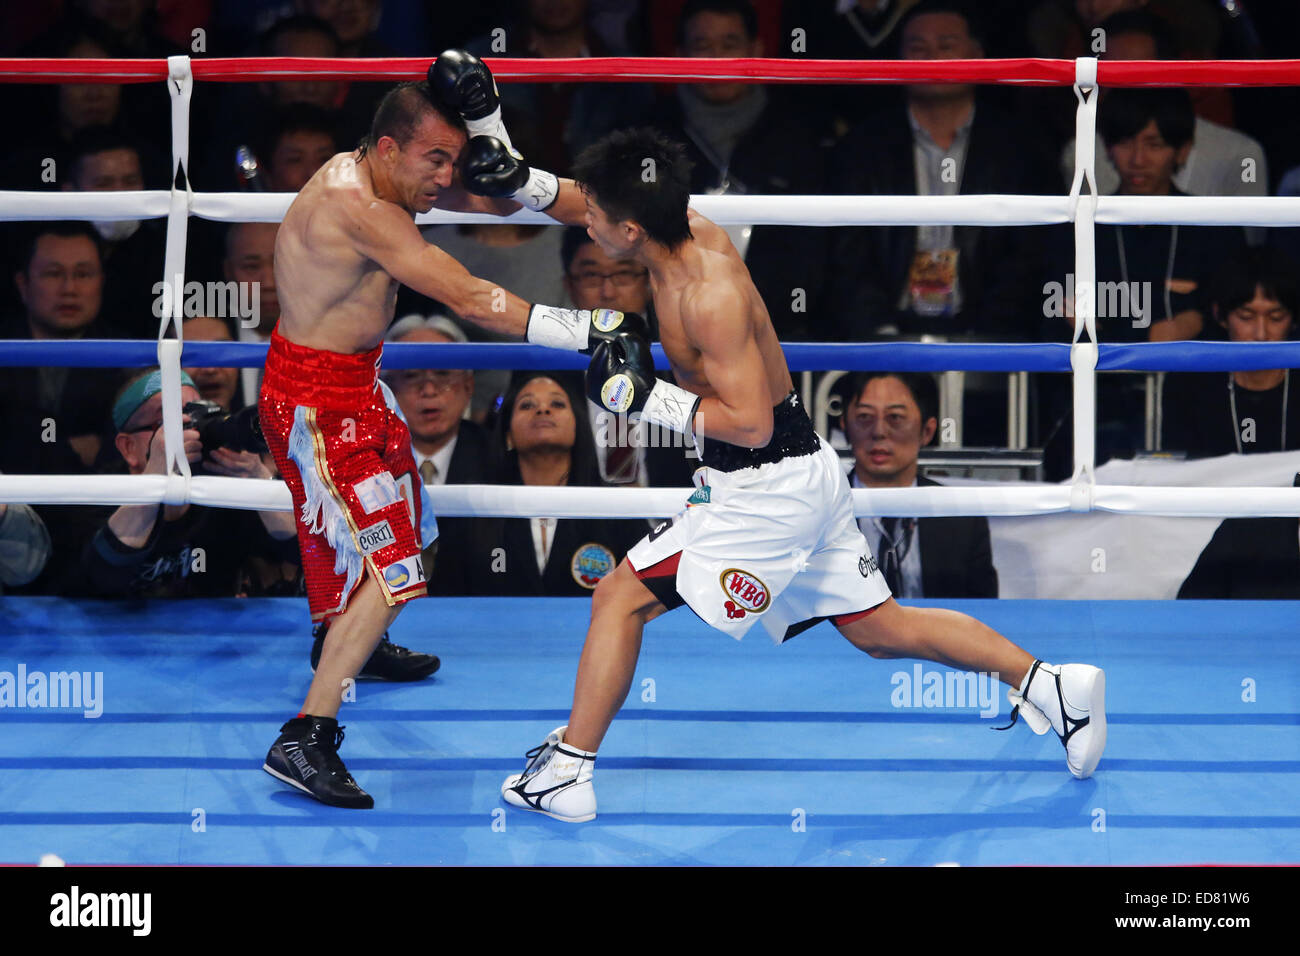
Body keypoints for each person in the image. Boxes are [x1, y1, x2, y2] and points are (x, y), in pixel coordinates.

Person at [470, 124, 1106, 824]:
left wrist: (644, 398)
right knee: (881, 630)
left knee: (619, 598)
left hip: (763, 486)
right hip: (796, 474)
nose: (580, 217)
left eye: (594, 215)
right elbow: (589, 202)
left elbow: (749, 423)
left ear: (626, 231)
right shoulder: (676, 223)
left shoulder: (706, 297)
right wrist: (522, 181)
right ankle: (1051, 684)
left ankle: (568, 772)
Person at [255, 54, 647, 808]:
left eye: (453, 161)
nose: (447, 178)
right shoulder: (356, 207)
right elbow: (466, 293)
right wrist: (590, 331)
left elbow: (503, 200)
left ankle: (350, 646)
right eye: (437, 161)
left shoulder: (384, 170)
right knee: (391, 566)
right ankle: (306, 734)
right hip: (315, 406)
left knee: (416, 520)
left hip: (358, 384)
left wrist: (498, 144)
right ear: (393, 148)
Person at [80, 368, 299, 599]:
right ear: (128, 448)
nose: (190, 429)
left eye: (195, 413)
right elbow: (101, 575)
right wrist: (157, 473)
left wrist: (258, 479)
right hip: (117, 632)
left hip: (212, 632)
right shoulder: (98, 490)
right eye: (168, 419)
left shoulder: (221, 487)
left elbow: (302, 553)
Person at [431, 371, 645, 596]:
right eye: (526, 405)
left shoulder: (617, 509)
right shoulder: (474, 509)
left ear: (577, 425)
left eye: (557, 403)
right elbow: (445, 597)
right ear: (508, 433)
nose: (543, 410)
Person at [840, 371, 997, 598]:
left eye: (895, 417)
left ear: (927, 431)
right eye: (865, 416)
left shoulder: (962, 517)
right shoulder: (820, 511)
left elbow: (986, 615)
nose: (879, 432)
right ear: (845, 425)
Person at [1161, 248, 1300, 458]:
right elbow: (1180, 472)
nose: (1261, 334)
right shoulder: (1188, 382)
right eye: (1246, 317)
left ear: (1294, 318)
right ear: (1220, 315)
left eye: (1276, 317)